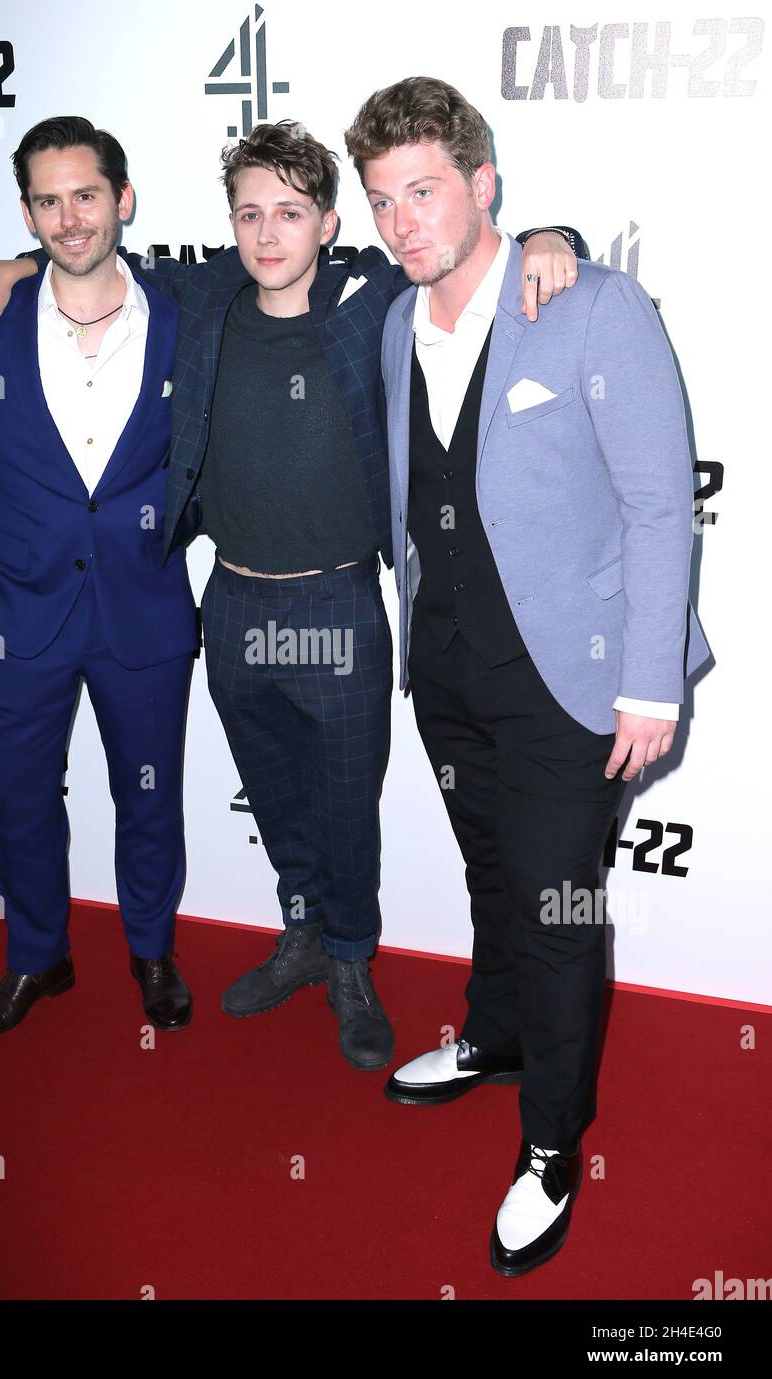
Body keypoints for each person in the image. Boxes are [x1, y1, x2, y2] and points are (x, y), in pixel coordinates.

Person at [0, 118, 583, 1070]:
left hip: (338, 608)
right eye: (249, 214)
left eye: (290, 212)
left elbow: (461, 255)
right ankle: (298, 939)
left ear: (329, 223)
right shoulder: (200, 295)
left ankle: (351, 963)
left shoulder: (370, 300)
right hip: (235, 604)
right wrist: (7, 265)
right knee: (281, 805)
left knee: (344, 809)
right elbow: (82, 252)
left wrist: (552, 239)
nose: (268, 233)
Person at [344, 76, 710, 1273]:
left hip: (574, 678)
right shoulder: (397, 321)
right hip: (446, 663)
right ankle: (495, 1036)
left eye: (425, 192)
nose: (402, 223)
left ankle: (553, 1145)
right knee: (492, 868)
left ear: (484, 186)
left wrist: (650, 685)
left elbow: (662, 503)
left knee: (562, 914)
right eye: (383, 200)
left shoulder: (591, 305)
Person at [0, 117, 199, 1040]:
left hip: (146, 609)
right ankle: (36, 958)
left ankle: (151, 949)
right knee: (19, 796)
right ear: (27, 212)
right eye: (48, 200)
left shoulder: (182, 315)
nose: (69, 217)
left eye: (86, 195)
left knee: (150, 794)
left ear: (123, 200)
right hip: (20, 610)